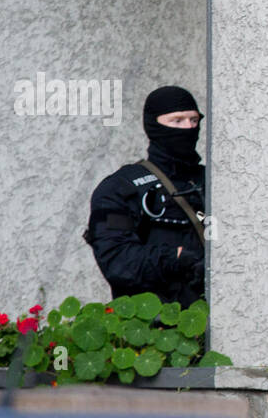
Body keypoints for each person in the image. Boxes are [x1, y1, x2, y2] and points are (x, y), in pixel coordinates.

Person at [85, 85, 206, 306]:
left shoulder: (214, 181)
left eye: (194, 121)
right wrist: (176, 258)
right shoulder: (120, 188)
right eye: (177, 121)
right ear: (153, 124)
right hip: (154, 328)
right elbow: (117, 261)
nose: (188, 128)